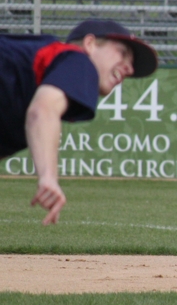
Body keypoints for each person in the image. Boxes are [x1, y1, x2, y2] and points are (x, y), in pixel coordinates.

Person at [0, 19, 158, 225]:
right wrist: (48, 177)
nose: (129, 69)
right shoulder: (78, 60)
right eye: (122, 53)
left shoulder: (22, 97)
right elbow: (42, 112)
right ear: (90, 44)